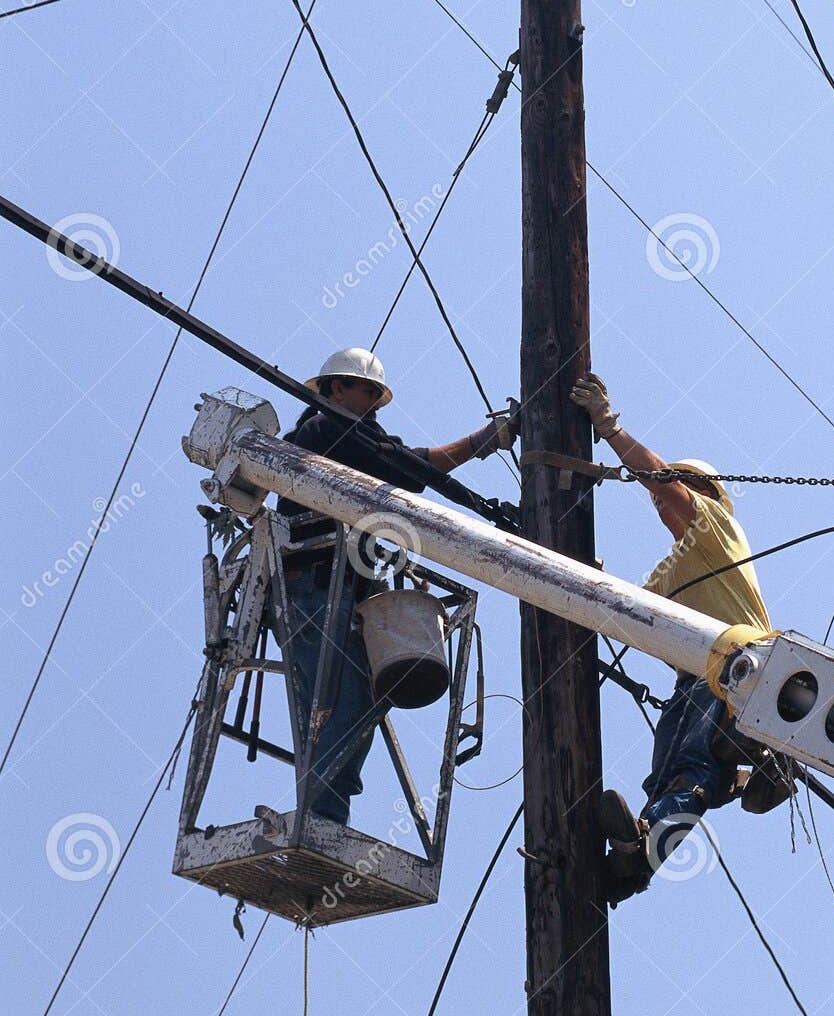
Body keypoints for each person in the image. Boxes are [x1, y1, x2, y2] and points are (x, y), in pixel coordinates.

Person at [273, 347, 517, 827]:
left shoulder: (357, 436)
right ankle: (321, 815)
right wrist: (485, 438)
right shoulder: (322, 430)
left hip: (344, 587)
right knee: (337, 699)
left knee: (366, 694)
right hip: (314, 587)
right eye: (366, 391)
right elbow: (409, 467)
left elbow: (403, 465)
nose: (373, 403)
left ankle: (326, 809)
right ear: (335, 388)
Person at [570, 371, 790, 904]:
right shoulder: (673, 567)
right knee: (679, 774)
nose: (660, 502)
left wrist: (609, 427)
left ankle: (646, 845)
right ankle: (632, 863)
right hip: (698, 679)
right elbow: (631, 615)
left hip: (737, 666)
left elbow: (662, 481)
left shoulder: (718, 528)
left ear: (701, 493)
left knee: (689, 763)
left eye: (670, 491)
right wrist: (583, 581)